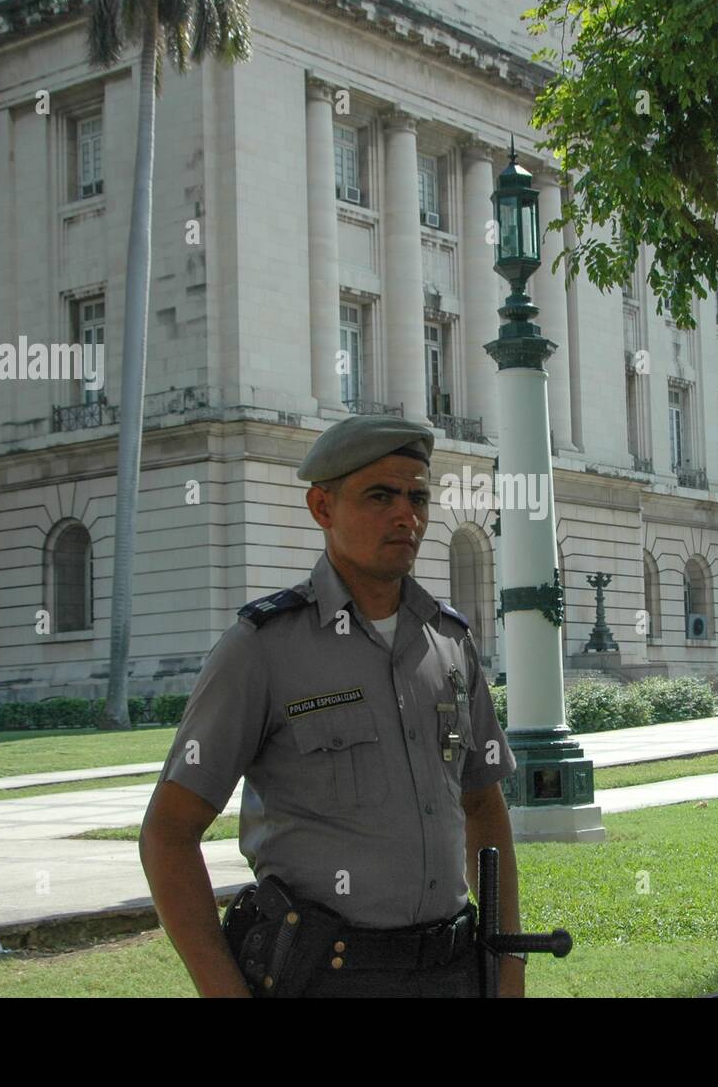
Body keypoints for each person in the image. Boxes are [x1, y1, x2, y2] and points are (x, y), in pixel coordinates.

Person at [140, 414, 524, 997]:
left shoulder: (449, 642)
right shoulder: (263, 648)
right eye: (380, 496)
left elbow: (484, 809)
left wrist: (507, 962)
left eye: (418, 497)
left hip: (452, 972)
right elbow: (169, 833)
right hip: (324, 976)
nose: (407, 515)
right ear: (322, 507)